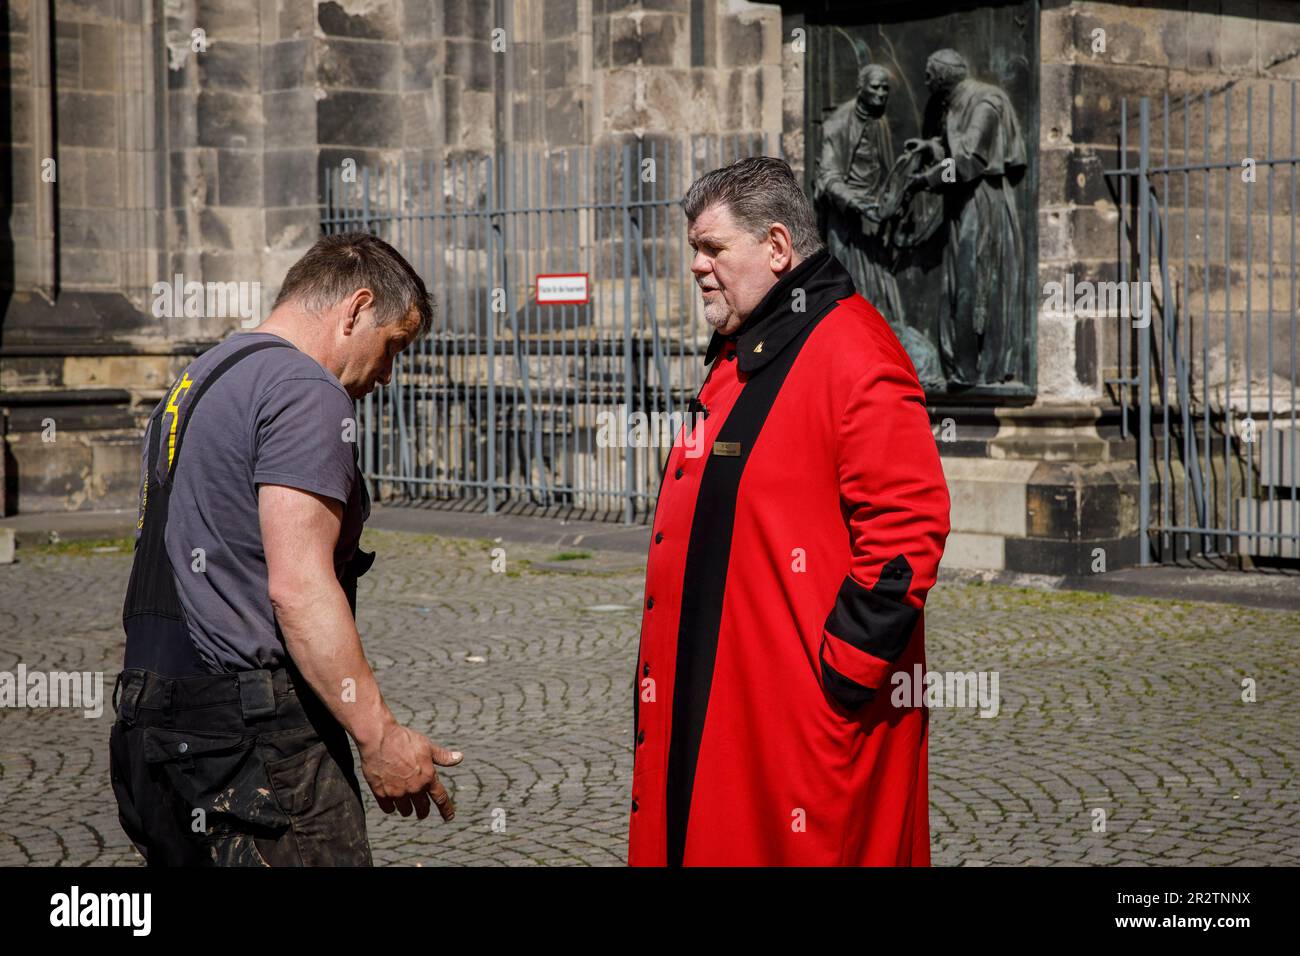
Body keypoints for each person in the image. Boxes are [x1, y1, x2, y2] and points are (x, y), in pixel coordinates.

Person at [628, 157, 950, 866]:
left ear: (776, 247)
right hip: (725, 709)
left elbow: (906, 532)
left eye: (713, 248)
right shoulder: (751, 348)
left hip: (802, 732)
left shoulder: (853, 350)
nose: (697, 267)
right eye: (694, 251)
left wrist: (833, 683)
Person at [110, 233, 462, 866]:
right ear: (355, 309)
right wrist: (379, 735)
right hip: (248, 738)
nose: (385, 375)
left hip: (149, 719)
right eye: (393, 348)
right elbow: (298, 587)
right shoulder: (305, 388)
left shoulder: (196, 379)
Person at [905, 49, 1027, 386]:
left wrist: (926, 181)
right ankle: (963, 370)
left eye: (930, 76)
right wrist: (933, 149)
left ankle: (981, 371)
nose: (926, 83)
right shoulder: (956, 103)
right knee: (961, 284)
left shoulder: (985, 101)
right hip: (964, 204)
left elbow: (969, 162)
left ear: (944, 75)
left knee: (975, 284)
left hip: (982, 203)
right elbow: (958, 154)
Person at [814, 63, 904, 325]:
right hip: (847, 223)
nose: (881, 93)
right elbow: (828, 177)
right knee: (851, 292)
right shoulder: (838, 124)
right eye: (875, 87)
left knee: (879, 293)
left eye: (885, 88)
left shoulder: (880, 122)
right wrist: (856, 203)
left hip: (874, 221)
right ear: (860, 87)